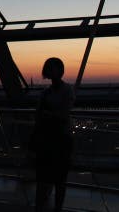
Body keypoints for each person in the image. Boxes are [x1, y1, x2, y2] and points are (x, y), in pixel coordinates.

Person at [30, 57, 74, 212]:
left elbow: (41, 115)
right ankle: (56, 208)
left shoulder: (45, 94)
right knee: (59, 179)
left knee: (46, 178)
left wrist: (47, 115)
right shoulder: (66, 90)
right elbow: (63, 114)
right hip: (58, 139)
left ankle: (42, 207)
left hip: (50, 140)